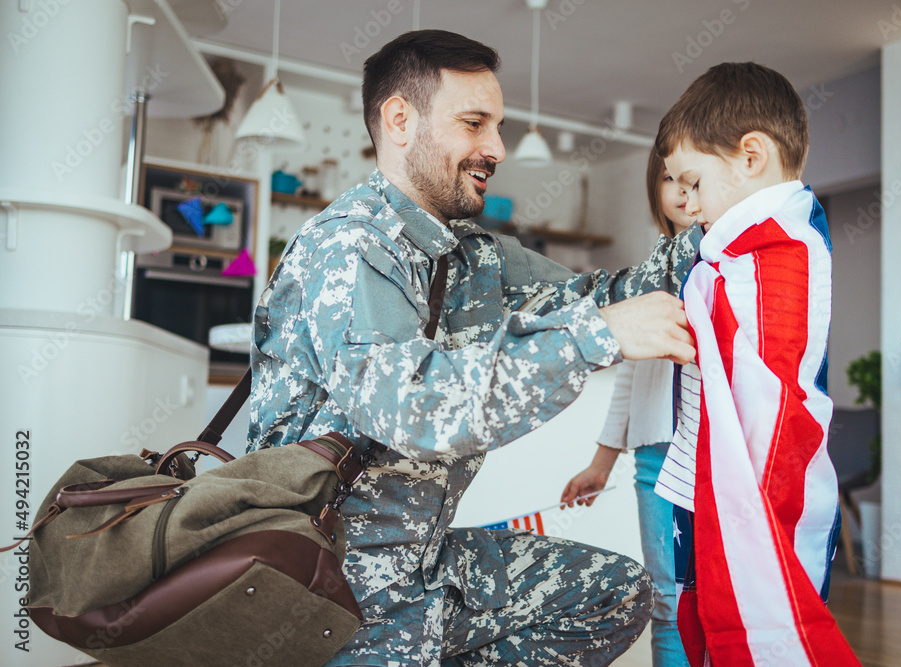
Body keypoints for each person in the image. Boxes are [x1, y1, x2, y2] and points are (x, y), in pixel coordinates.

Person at [249, 30, 696, 666]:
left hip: (421, 564)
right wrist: (601, 337)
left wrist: (719, 218)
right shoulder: (347, 247)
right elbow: (411, 408)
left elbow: (598, 294)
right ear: (399, 120)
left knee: (613, 595)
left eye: (499, 126)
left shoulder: (471, 255)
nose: (497, 148)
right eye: (474, 123)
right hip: (335, 581)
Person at [654, 62, 860, 665]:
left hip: (748, 497)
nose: (686, 206)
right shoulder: (728, 257)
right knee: (700, 617)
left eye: (691, 182)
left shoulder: (781, 254)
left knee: (750, 629)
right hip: (701, 486)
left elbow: (777, 406)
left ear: (751, 157)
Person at [560, 147, 702, 666]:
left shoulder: (725, 267)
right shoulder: (652, 273)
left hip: (714, 457)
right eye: (669, 179)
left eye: (694, 178)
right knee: (668, 599)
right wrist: (601, 463)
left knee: (716, 600)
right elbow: (632, 375)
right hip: (655, 455)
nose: (683, 192)